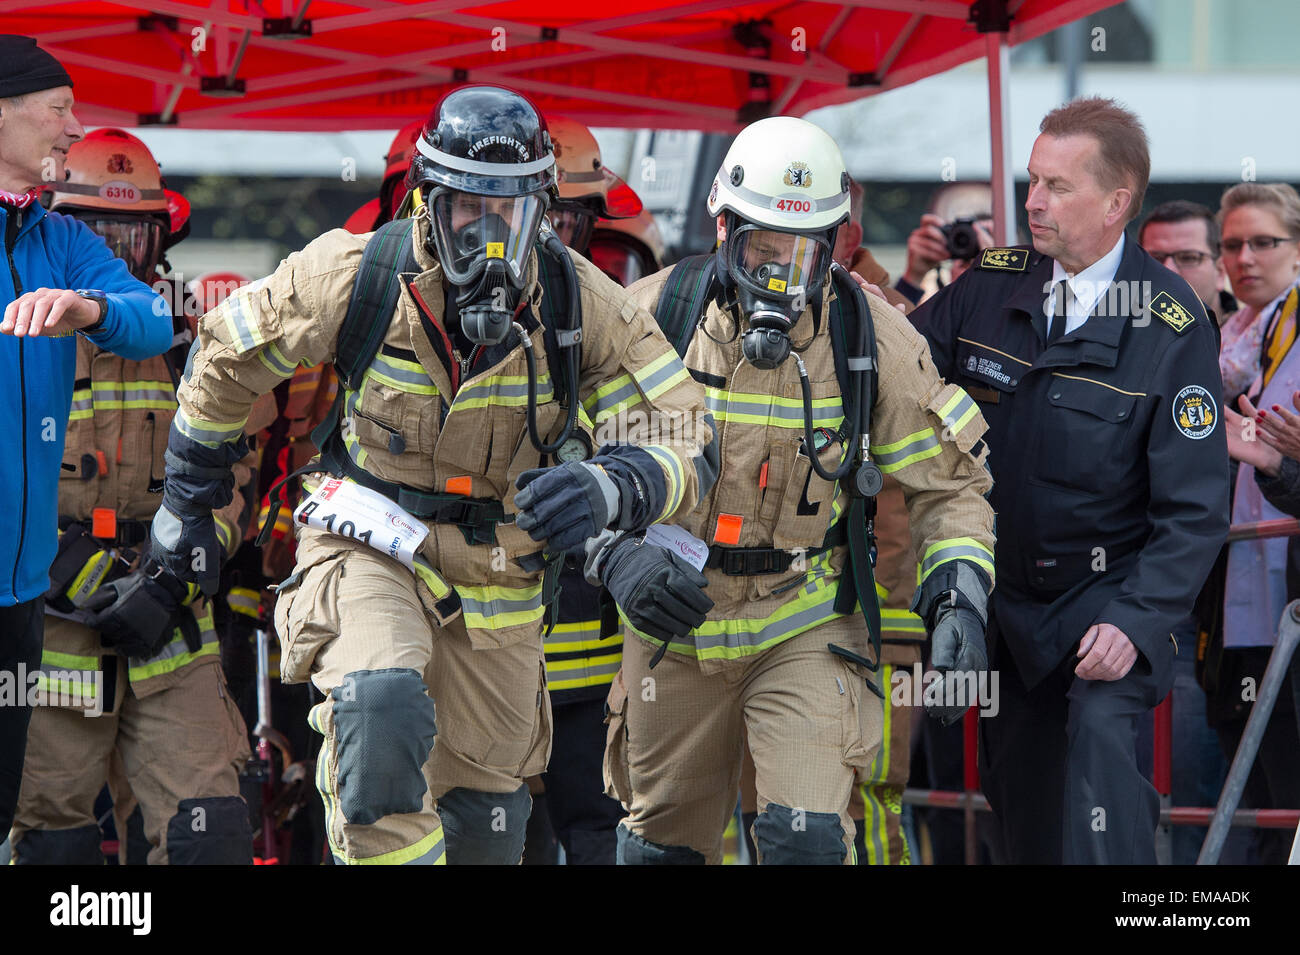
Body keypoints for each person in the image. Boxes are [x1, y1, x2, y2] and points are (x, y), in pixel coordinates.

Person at [161, 85, 712, 866]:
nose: (488, 233)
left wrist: (608, 488)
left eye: (512, 212)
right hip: (368, 546)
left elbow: (687, 432)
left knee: (485, 827)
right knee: (377, 712)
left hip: (500, 584)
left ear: (542, 212)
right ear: (428, 199)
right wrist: (187, 498)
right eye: (465, 207)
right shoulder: (356, 275)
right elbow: (224, 353)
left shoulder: (580, 302)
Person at [604, 115, 996, 865]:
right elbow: (569, 456)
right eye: (763, 249)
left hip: (806, 614)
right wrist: (618, 557)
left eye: (804, 251)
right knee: (664, 847)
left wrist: (958, 592)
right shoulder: (648, 318)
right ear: (724, 230)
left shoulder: (872, 338)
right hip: (675, 617)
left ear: (836, 244)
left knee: (809, 839)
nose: (782, 273)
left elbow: (949, 487)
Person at [912, 97, 1229, 865]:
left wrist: (1133, 621)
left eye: (1056, 185)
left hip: (1110, 602)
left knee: (1098, 782)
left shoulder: (1169, 324)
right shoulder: (990, 286)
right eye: (1032, 180)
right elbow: (898, 367)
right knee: (1021, 815)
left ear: (1117, 202)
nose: (1032, 200)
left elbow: (1194, 511)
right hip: (1006, 609)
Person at [7, 128, 255, 865]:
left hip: (172, 626)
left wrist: (180, 565)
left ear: (161, 238)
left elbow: (233, 476)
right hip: (55, 636)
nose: (116, 257)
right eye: (97, 233)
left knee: (211, 833)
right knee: (55, 846)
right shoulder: (18, 328)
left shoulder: (191, 338)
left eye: (134, 236)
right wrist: (88, 573)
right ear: (59, 230)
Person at [0, 35, 169, 842]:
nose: (74, 128)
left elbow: (154, 319)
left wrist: (89, 309)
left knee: (4, 810)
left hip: (22, 587)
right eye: (59, 108)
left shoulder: (59, 239)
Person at [526, 115, 646, 866]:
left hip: (597, 644)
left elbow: (665, 449)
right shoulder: (451, 311)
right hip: (492, 640)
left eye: (568, 218)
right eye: (544, 215)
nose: (551, 235)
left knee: (600, 823)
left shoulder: (614, 318)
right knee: (505, 824)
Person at [1208, 182, 1300, 865]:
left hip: (1281, 595)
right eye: (1232, 244)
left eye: (1264, 241)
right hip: (1243, 604)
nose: (1245, 257)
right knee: (1267, 805)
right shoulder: (1240, 338)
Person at [895, 182, 996, 307]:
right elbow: (892, 324)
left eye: (983, 229)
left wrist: (995, 278)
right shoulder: (935, 306)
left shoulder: (1023, 289)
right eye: (956, 230)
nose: (968, 238)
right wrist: (913, 279)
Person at [1138, 200, 1236, 325]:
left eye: (1188, 258)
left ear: (1221, 272)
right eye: (1155, 259)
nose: (1168, 269)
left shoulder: (1260, 336)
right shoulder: (1113, 335)